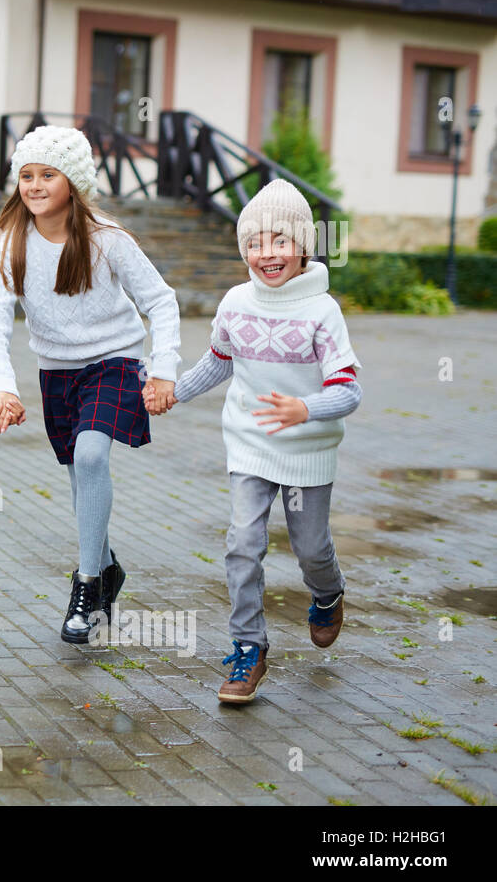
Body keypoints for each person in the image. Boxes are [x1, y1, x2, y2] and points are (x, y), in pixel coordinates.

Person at [151, 178, 361, 704]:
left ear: (303, 247)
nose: (267, 253)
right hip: (249, 443)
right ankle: (249, 648)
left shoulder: (322, 311)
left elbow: (349, 389)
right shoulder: (236, 301)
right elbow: (221, 360)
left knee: (311, 548)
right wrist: (176, 392)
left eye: (280, 241)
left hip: (308, 449)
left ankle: (328, 592)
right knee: (243, 543)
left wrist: (304, 408)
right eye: (255, 243)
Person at [0, 125, 181, 645]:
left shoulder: (107, 239)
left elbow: (161, 300)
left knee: (91, 458)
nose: (35, 184)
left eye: (48, 174)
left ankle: (87, 585)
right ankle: (107, 565)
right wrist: (3, 387)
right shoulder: (9, 244)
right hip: (56, 372)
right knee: (76, 477)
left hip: (114, 361)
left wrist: (163, 370)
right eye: (26, 175)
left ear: (74, 181)